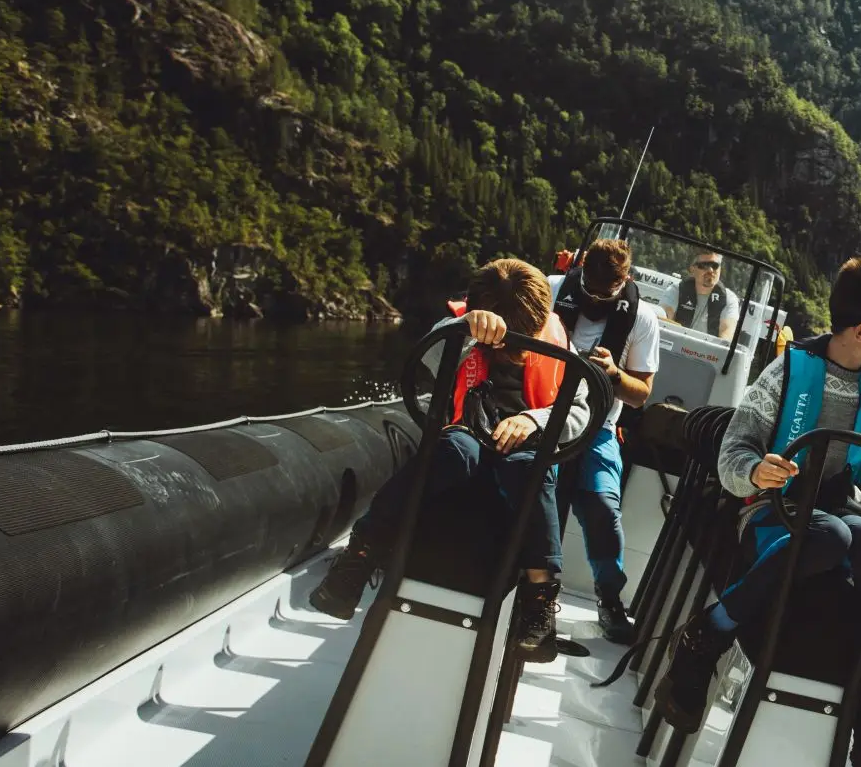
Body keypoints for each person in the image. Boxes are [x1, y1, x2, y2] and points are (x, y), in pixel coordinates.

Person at [652, 257, 861, 767]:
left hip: (838, 507)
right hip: (772, 509)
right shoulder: (786, 374)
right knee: (829, 534)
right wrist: (756, 472)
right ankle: (706, 634)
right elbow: (734, 452)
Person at [309, 259, 590, 658]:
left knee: (529, 470)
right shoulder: (458, 331)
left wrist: (534, 419)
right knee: (454, 451)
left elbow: (579, 411)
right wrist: (464, 328)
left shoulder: (559, 345)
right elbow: (430, 355)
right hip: (467, 433)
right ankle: (360, 555)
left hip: (524, 446)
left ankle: (539, 598)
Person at [550, 238, 662, 644]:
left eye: (605, 294)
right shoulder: (551, 289)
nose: (595, 299)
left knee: (601, 506)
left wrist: (614, 374)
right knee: (543, 497)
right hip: (544, 417)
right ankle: (534, 586)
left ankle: (609, 599)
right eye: (589, 291)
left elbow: (641, 393)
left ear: (624, 281)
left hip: (597, 427)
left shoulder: (642, 319)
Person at [666, 251, 739, 340]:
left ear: (720, 269)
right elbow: (664, 319)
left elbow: (726, 337)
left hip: (708, 349)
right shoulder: (676, 290)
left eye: (715, 265)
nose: (710, 270)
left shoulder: (729, 299)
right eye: (704, 265)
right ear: (693, 269)